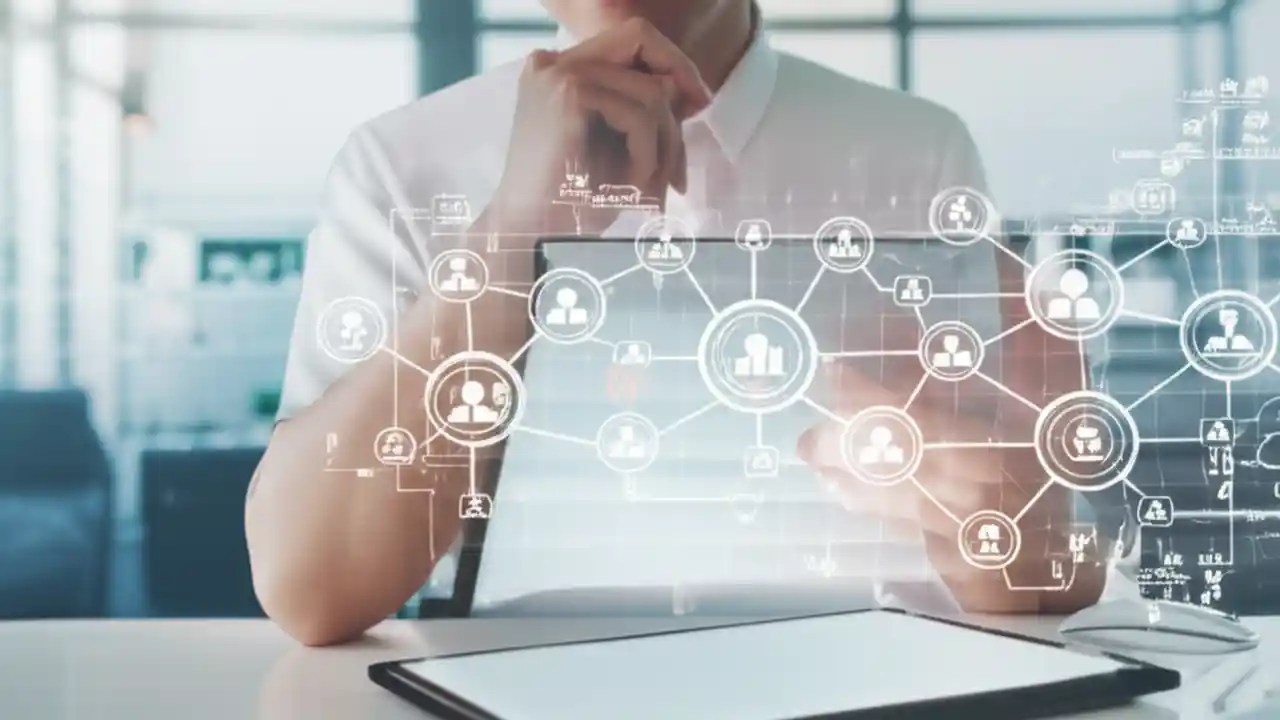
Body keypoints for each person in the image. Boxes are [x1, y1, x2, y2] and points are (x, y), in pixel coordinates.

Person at [247, 0, 1106, 647]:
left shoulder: (917, 152)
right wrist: (512, 230)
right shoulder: (402, 164)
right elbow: (313, 588)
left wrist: (1010, 545)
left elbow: (1022, 553)